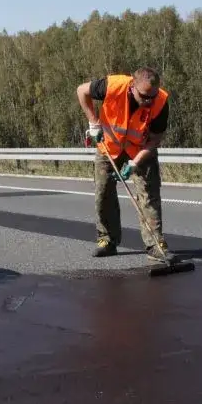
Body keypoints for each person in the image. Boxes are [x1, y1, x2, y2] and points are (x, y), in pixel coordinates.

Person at [75, 67, 175, 264]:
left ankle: (155, 244)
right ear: (132, 86)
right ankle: (107, 240)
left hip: (139, 150)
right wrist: (93, 123)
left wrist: (135, 162)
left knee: (148, 194)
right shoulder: (112, 86)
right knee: (103, 192)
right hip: (109, 147)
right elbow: (81, 90)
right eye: (145, 96)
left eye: (152, 96)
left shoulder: (160, 101)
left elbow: (154, 140)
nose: (149, 101)